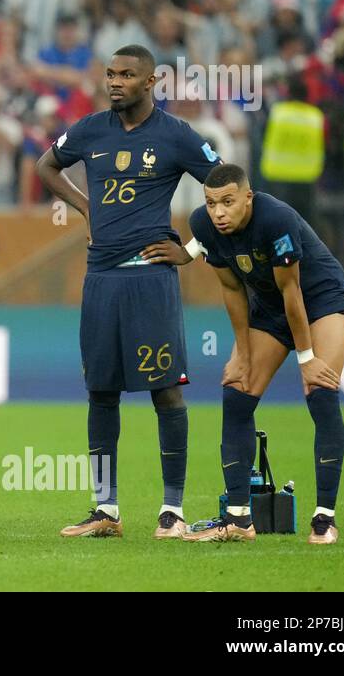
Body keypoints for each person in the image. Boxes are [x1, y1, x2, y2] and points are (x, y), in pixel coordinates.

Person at [35, 44, 221, 540]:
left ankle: (172, 510)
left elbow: (228, 187)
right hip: (101, 279)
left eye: (126, 75)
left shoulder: (176, 135)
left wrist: (194, 247)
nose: (114, 82)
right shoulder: (91, 129)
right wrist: (85, 207)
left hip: (150, 279)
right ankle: (105, 511)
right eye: (110, 74)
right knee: (101, 392)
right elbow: (45, 166)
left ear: (152, 81)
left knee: (165, 393)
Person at [183, 163, 344, 545]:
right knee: (236, 392)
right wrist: (242, 352)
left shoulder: (277, 219)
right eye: (211, 203)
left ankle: (324, 518)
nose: (218, 212)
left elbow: (293, 293)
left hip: (319, 297)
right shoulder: (204, 225)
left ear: (248, 197)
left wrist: (306, 360)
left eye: (227, 202)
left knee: (321, 392)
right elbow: (231, 289)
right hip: (270, 308)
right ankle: (239, 520)